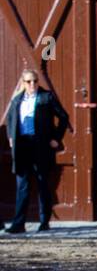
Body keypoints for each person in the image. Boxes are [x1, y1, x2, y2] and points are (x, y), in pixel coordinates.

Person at [4, 70, 68, 233]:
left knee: (42, 183)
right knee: (22, 185)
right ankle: (19, 224)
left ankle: (44, 221)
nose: (32, 84)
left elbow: (63, 117)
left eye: (35, 81)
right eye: (28, 82)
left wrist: (56, 138)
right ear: (23, 83)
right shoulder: (17, 100)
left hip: (40, 146)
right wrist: (11, 137)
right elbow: (11, 118)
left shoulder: (46, 97)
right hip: (23, 146)